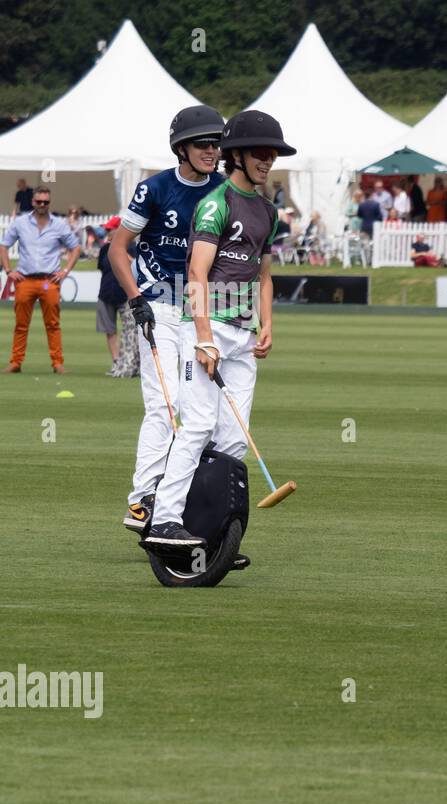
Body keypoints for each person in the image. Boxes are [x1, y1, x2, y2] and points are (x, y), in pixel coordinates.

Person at [143, 110, 295, 550]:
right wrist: (204, 335)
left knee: (232, 439)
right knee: (197, 426)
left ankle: (211, 532)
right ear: (238, 156)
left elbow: (264, 276)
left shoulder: (268, 210)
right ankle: (164, 520)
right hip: (206, 330)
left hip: (244, 336)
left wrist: (267, 324)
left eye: (274, 155)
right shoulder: (216, 204)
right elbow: (196, 272)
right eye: (262, 154)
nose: (269, 161)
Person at [109, 105, 226, 531]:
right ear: (181, 148)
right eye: (203, 144)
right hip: (157, 305)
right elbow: (118, 248)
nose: (212, 150)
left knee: (199, 411)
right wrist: (135, 296)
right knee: (164, 403)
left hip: (202, 310)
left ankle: (181, 497)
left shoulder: (224, 191)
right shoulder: (154, 188)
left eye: (216, 144)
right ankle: (141, 500)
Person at [0, 186, 82, 374]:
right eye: (39, 201)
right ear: (33, 202)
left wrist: (66, 270)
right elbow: (4, 245)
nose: (42, 205)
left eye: (46, 202)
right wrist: (8, 270)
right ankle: (16, 362)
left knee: (53, 324)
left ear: (49, 202)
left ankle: (57, 363)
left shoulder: (59, 224)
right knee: (21, 324)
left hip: (49, 280)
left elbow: (76, 248)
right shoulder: (20, 222)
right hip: (25, 280)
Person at [96, 216, 134, 376]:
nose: (106, 232)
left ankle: (129, 365)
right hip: (106, 293)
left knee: (130, 331)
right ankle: (116, 362)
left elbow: (133, 265)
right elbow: (102, 269)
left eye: (109, 229)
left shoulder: (131, 247)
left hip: (126, 295)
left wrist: (121, 250)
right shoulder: (104, 249)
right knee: (109, 330)